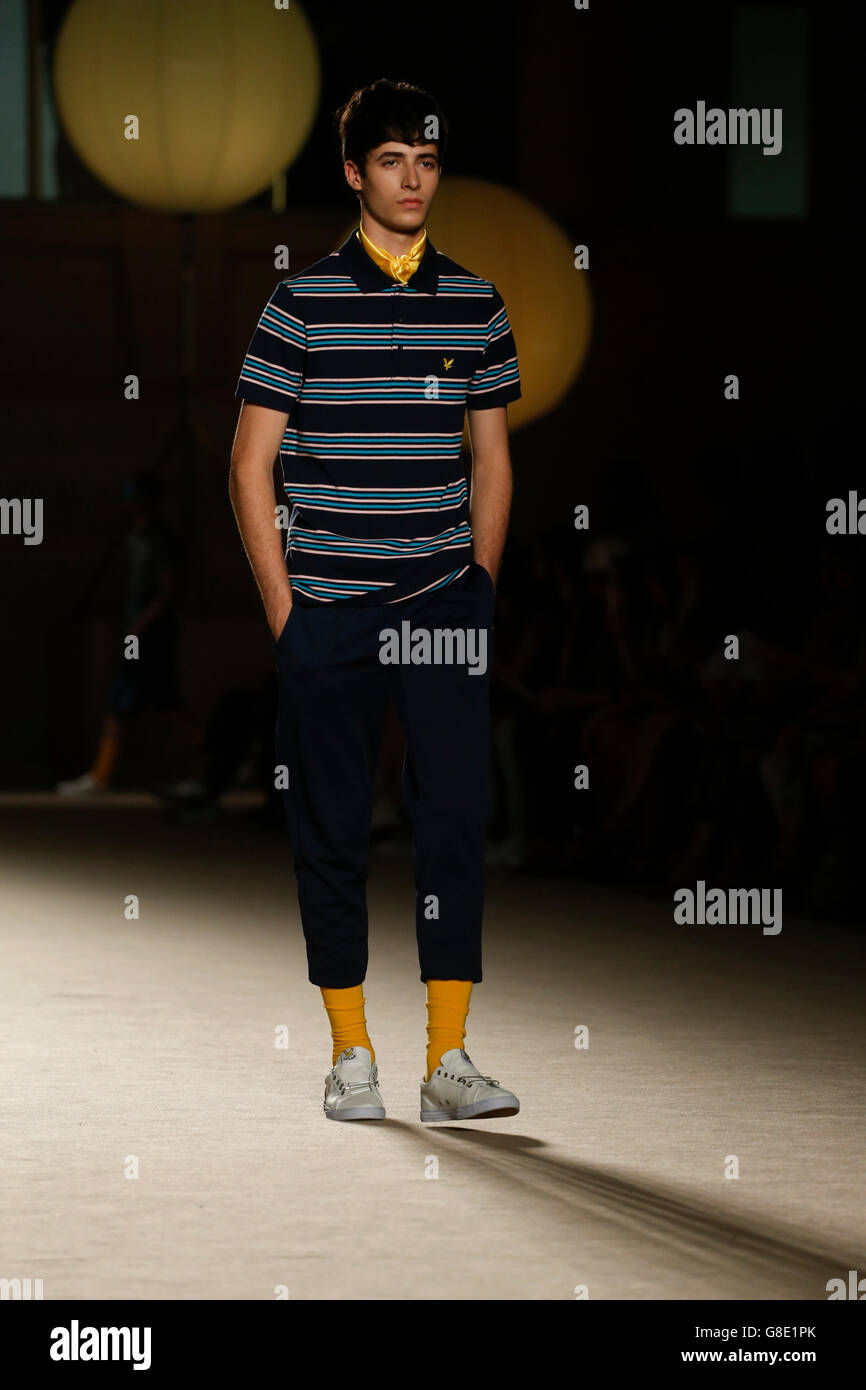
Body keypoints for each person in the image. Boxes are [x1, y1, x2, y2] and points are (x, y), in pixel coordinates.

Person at [230, 79, 521, 1123]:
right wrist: (284, 607)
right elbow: (248, 463)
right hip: (330, 607)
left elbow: (490, 458)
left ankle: (449, 1056)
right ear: (354, 172)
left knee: (453, 817)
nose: (412, 179)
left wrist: (479, 584)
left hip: (444, 596)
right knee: (333, 825)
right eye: (391, 159)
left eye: (428, 160)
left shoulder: (476, 301)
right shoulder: (298, 302)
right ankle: (350, 1052)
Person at [56, 472, 190, 794]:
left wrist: (140, 627)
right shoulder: (136, 537)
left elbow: (168, 590)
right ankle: (103, 775)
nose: (131, 504)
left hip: (149, 634)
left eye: (136, 497)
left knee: (126, 701)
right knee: (163, 702)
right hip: (140, 631)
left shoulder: (160, 539)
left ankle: (100, 778)